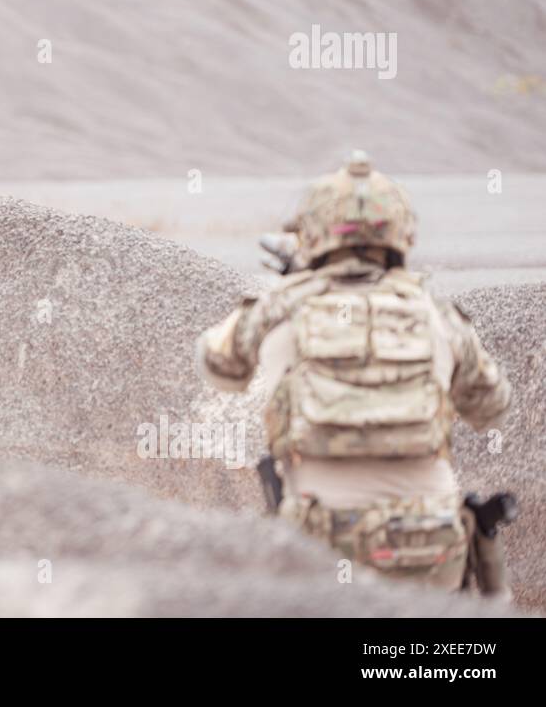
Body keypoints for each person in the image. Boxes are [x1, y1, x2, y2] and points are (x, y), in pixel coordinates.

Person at [196, 151, 512, 592]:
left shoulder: (281, 306)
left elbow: (219, 367)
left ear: (311, 233)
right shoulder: (437, 315)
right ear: (402, 234)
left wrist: (289, 286)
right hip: (431, 544)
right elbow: (491, 409)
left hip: (318, 544)